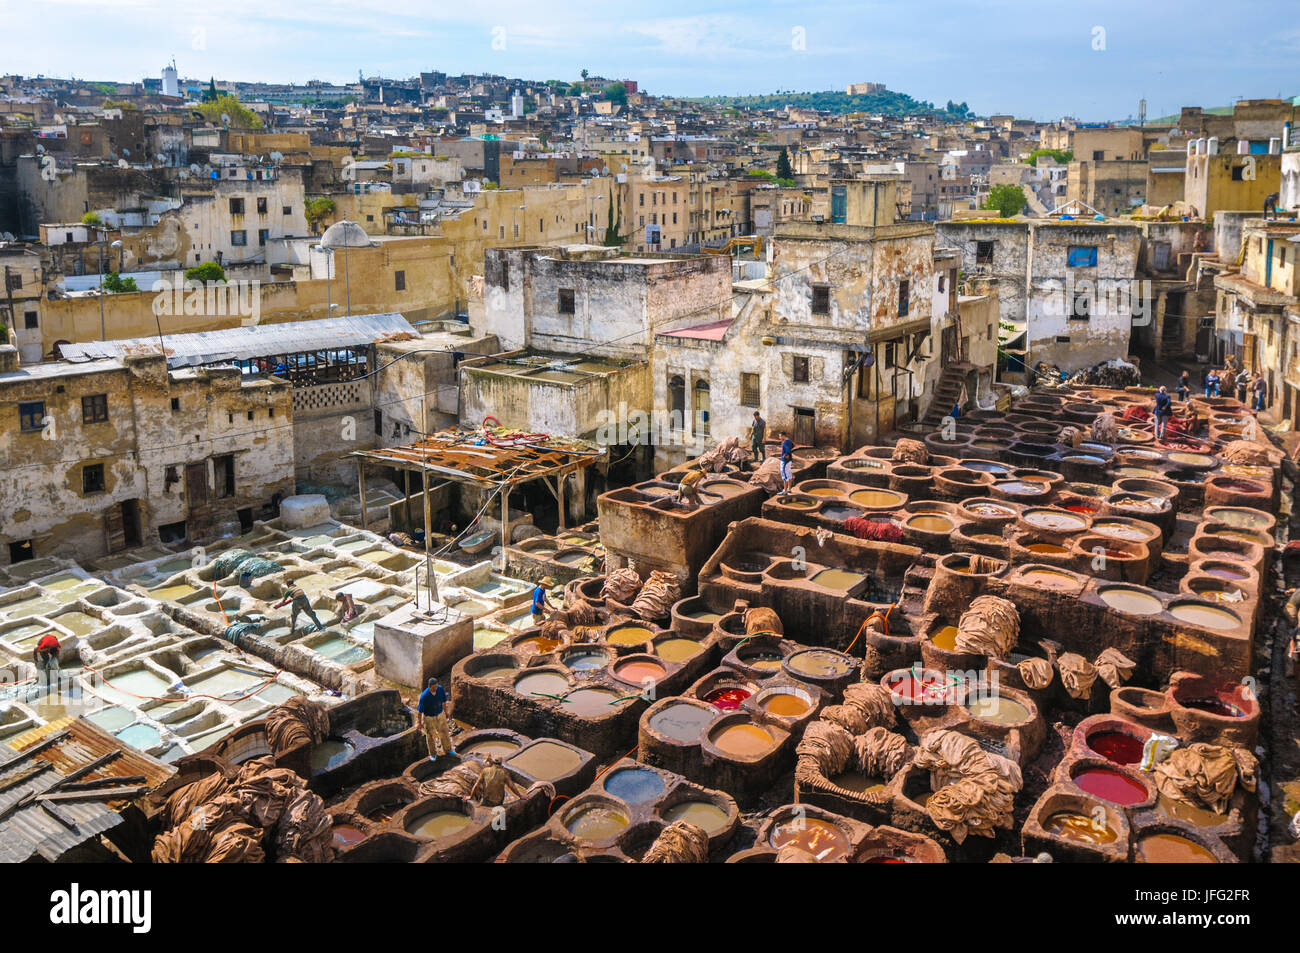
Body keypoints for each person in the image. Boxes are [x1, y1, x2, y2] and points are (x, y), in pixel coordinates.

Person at [416, 676, 454, 760]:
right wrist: (419, 723)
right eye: (434, 687)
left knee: (444, 731)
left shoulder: (440, 689)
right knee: (430, 735)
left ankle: (448, 750)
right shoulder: (424, 696)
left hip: (440, 714)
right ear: (429, 687)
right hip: (429, 717)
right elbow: (419, 711)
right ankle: (433, 754)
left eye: (436, 686)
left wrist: (446, 712)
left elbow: (444, 702)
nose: (436, 688)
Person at [778, 431, 795, 496]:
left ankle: (785, 491)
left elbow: (788, 450)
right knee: (789, 474)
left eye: (780, 436)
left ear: (783, 436)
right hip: (789, 461)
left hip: (785, 461)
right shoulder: (789, 441)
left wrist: (785, 455)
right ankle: (789, 489)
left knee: (784, 475)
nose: (779, 437)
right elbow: (793, 446)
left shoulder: (785, 442)